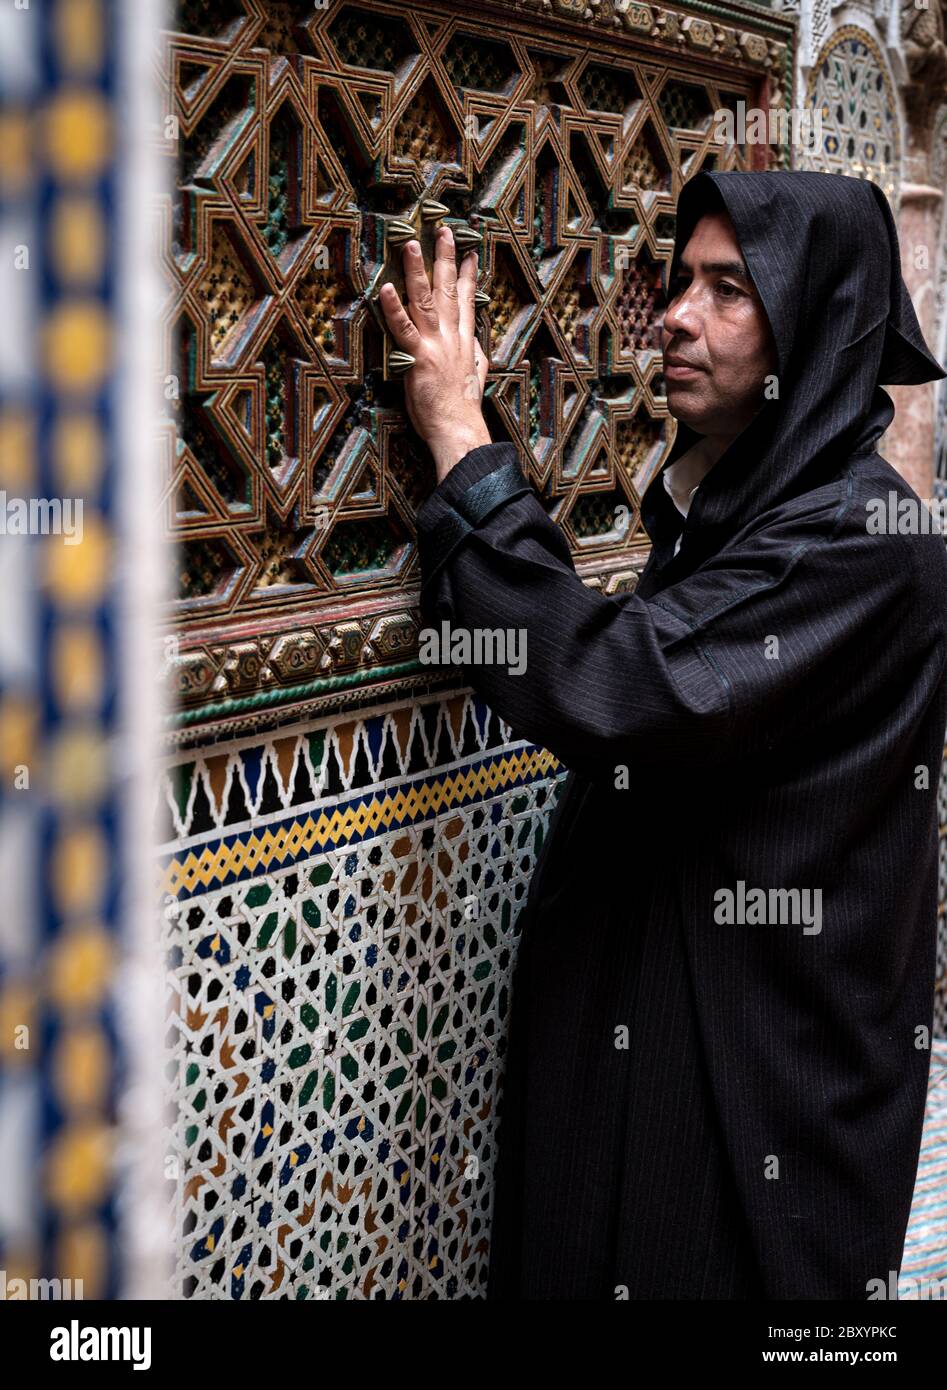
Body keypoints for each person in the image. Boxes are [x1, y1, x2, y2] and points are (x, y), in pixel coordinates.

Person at [378, 170, 947, 1300]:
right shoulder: (758, 508)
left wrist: (458, 433)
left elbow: (614, 688)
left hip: (752, 1109)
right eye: (679, 280)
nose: (675, 316)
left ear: (816, 324)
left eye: (728, 289)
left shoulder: (863, 547)